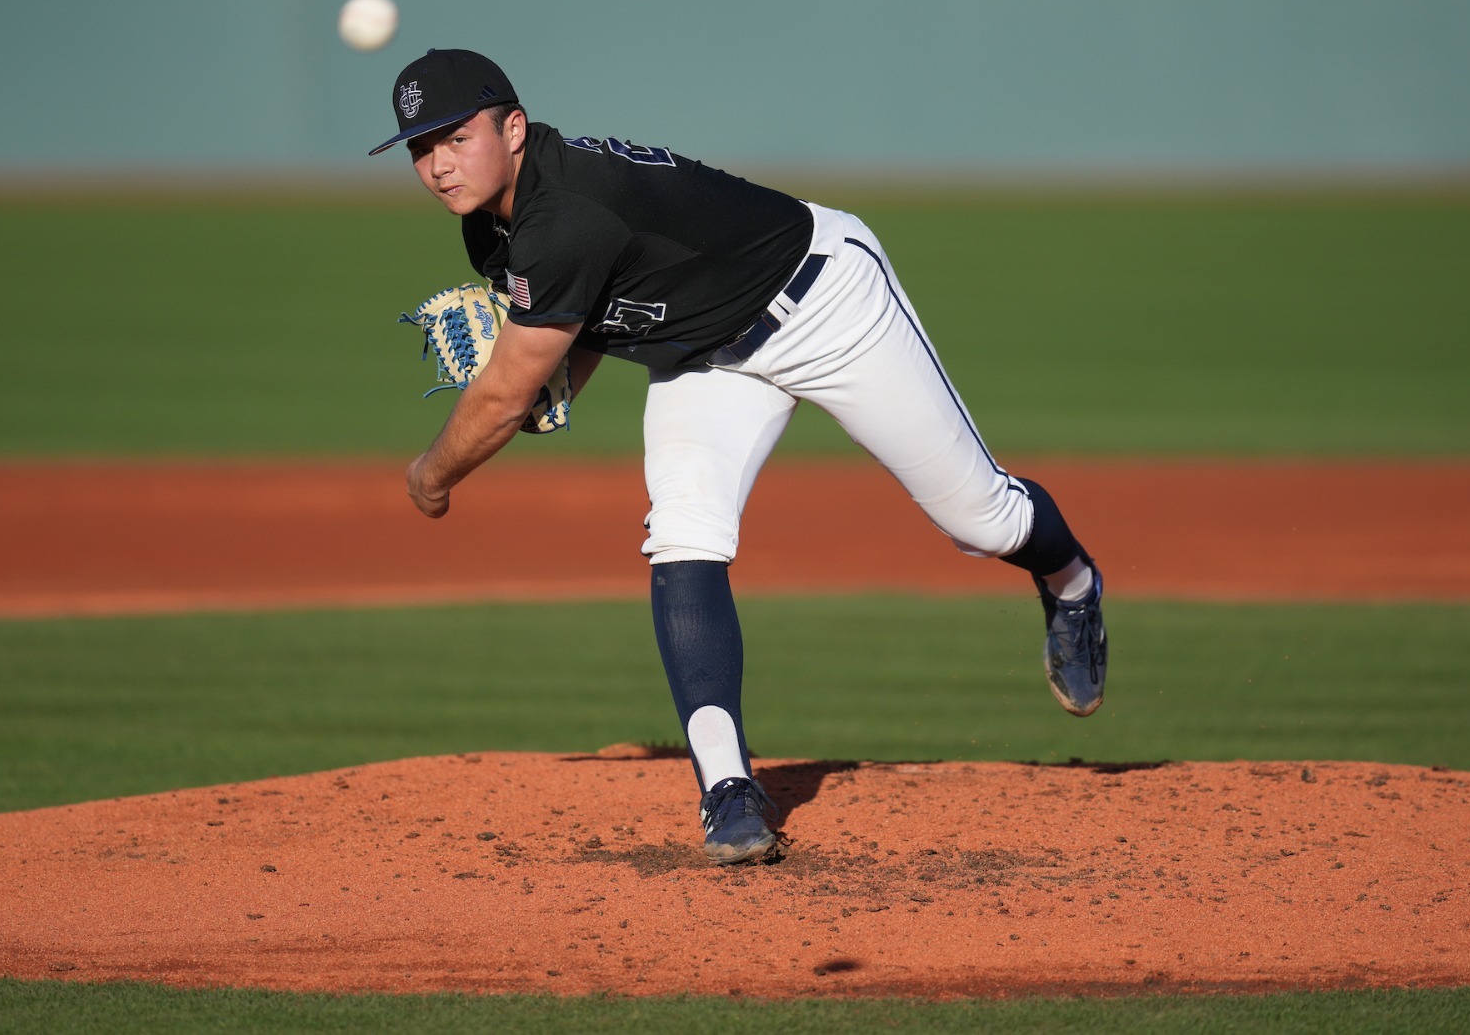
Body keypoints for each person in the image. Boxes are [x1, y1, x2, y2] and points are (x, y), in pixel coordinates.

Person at [375, 49, 1107, 864]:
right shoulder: (492, 226)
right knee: (682, 533)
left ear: (513, 128)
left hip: (824, 303)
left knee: (981, 519)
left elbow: (503, 395)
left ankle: (1072, 582)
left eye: (456, 137)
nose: (438, 164)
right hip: (703, 358)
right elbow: (586, 321)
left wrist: (431, 476)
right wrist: (561, 384)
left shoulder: (563, 213)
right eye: (419, 148)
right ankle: (728, 790)